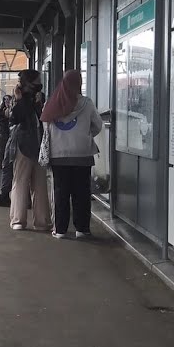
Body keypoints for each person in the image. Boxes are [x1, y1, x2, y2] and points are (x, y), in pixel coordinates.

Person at [41, 69, 103, 239]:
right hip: (82, 155)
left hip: (58, 155)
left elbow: (46, 127)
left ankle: (60, 230)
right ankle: (82, 229)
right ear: (79, 83)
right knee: (81, 193)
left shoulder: (51, 103)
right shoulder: (87, 103)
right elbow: (97, 126)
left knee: (60, 192)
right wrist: (84, 134)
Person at [8, 70, 49, 231]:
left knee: (39, 184)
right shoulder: (17, 97)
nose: (40, 83)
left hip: (39, 145)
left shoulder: (41, 97)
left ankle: (42, 221)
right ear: (29, 82)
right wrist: (20, 100)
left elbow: (43, 118)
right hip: (23, 144)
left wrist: (39, 104)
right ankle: (19, 220)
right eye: (38, 80)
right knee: (21, 182)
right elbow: (15, 118)